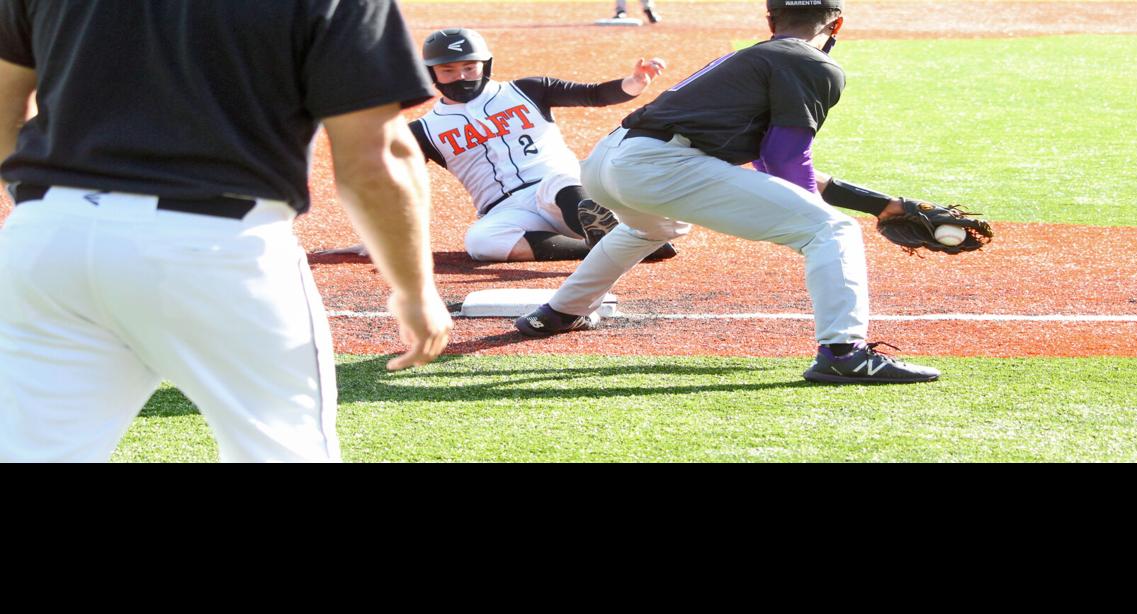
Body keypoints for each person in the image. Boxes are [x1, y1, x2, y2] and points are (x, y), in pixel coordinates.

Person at [0, 0, 451, 462]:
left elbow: (5, 103)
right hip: (218, 247)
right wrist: (413, 289)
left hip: (48, 238)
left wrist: (50, 214)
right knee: (282, 451)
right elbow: (377, 157)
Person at [515, 0, 940, 384]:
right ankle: (844, 353)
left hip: (608, 161)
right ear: (838, 24)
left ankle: (559, 312)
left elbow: (772, 163)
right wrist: (809, 216)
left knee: (650, 230)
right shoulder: (812, 62)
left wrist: (883, 206)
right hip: (658, 166)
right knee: (832, 231)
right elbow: (786, 160)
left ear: (771, 19)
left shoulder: (752, 58)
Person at [319, 28, 676, 265]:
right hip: (506, 210)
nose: (461, 76)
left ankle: (611, 236)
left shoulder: (528, 90)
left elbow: (594, 95)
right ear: (432, 74)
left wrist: (634, 82)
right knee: (481, 242)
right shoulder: (424, 130)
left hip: (563, 191)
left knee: (559, 181)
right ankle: (610, 247)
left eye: (469, 67)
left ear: (484, 65)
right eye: (448, 71)